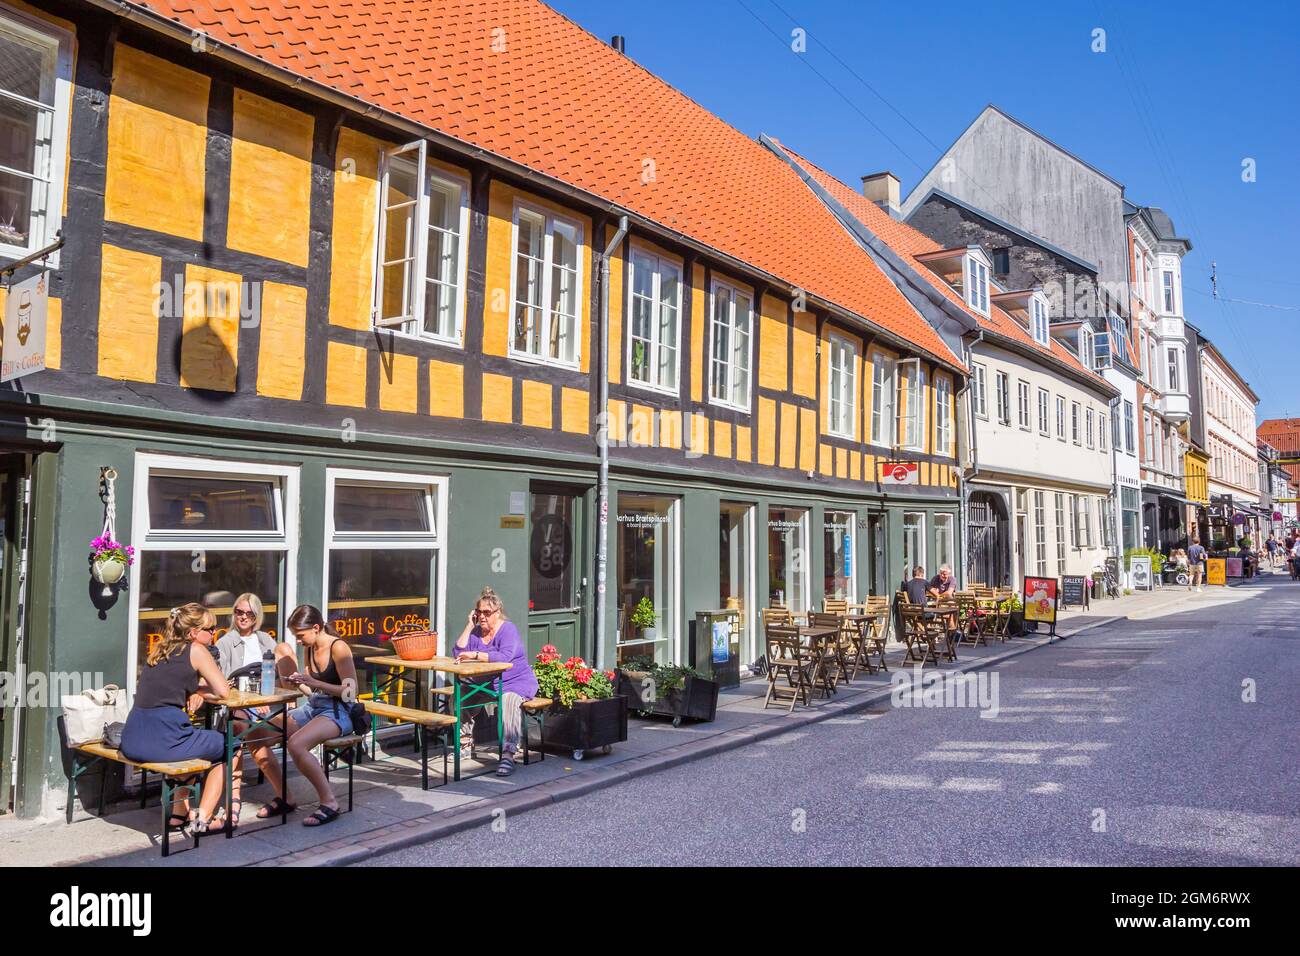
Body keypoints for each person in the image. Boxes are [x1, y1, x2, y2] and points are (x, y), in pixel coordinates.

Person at [120, 603, 231, 834]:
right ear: (193, 633)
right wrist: (200, 691)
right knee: (231, 745)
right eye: (210, 629)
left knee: (195, 749)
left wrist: (196, 690)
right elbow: (224, 692)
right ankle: (204, 819)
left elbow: (173, 681)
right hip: (164, 742)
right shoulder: (196, 650)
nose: (214, 633)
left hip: (132, 740)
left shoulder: (160, 649)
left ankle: (179, 815)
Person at [214, 593, 296, 826]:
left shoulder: (265, 640)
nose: (243, 617)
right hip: (237, 708)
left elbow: (279, 672)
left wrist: (273, 699)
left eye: (249, 613)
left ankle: (238, 803)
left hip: (266, 707)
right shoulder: (225, 642)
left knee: (256, 738)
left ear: (257, 616)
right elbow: (221, 681)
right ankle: (240, 799)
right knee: (243, 731)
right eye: (239, 612)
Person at [283, 605, 358, 827]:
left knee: (296, 744)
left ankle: (329, 802)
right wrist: (300, 683)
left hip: (339, 712)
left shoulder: (339, 647)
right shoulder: (310, 646)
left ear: (316, 628)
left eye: (300, 635)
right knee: (265, 731)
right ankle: (283, 798)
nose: (298, 641)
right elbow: (312, 692)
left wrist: (315, 683)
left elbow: (351, 691)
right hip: (314, 706)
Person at [453, 586, 538, 777]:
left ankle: (508, 753)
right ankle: (465, 742)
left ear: (497, 613)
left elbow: (505, 656)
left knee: (508, 701)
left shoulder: (508, 629)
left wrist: (476, 654)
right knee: (460, 697)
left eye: (487, 612)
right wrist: (469, 625)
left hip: (515, 682)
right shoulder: (475, 631)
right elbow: (458, 653)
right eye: (478, 612)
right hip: (486, 684)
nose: (482, 616)